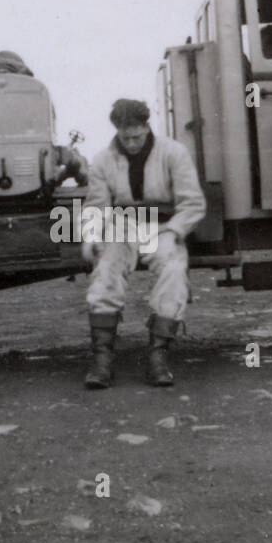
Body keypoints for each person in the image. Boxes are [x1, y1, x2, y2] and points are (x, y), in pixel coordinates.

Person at [81, 99, 206, 388]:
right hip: (122, 226)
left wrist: (175, 230)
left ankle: (158, 356)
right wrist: (91, 235)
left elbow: (193, 203)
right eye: (125, 138)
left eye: (137, 136)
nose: (132, 143)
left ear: (147, 127)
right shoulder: (102, 160)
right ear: (117, 131)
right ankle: (102, 360)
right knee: (105, 272)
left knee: (173, 271)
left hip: (162, 226)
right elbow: (96, 206)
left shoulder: (174, 152)